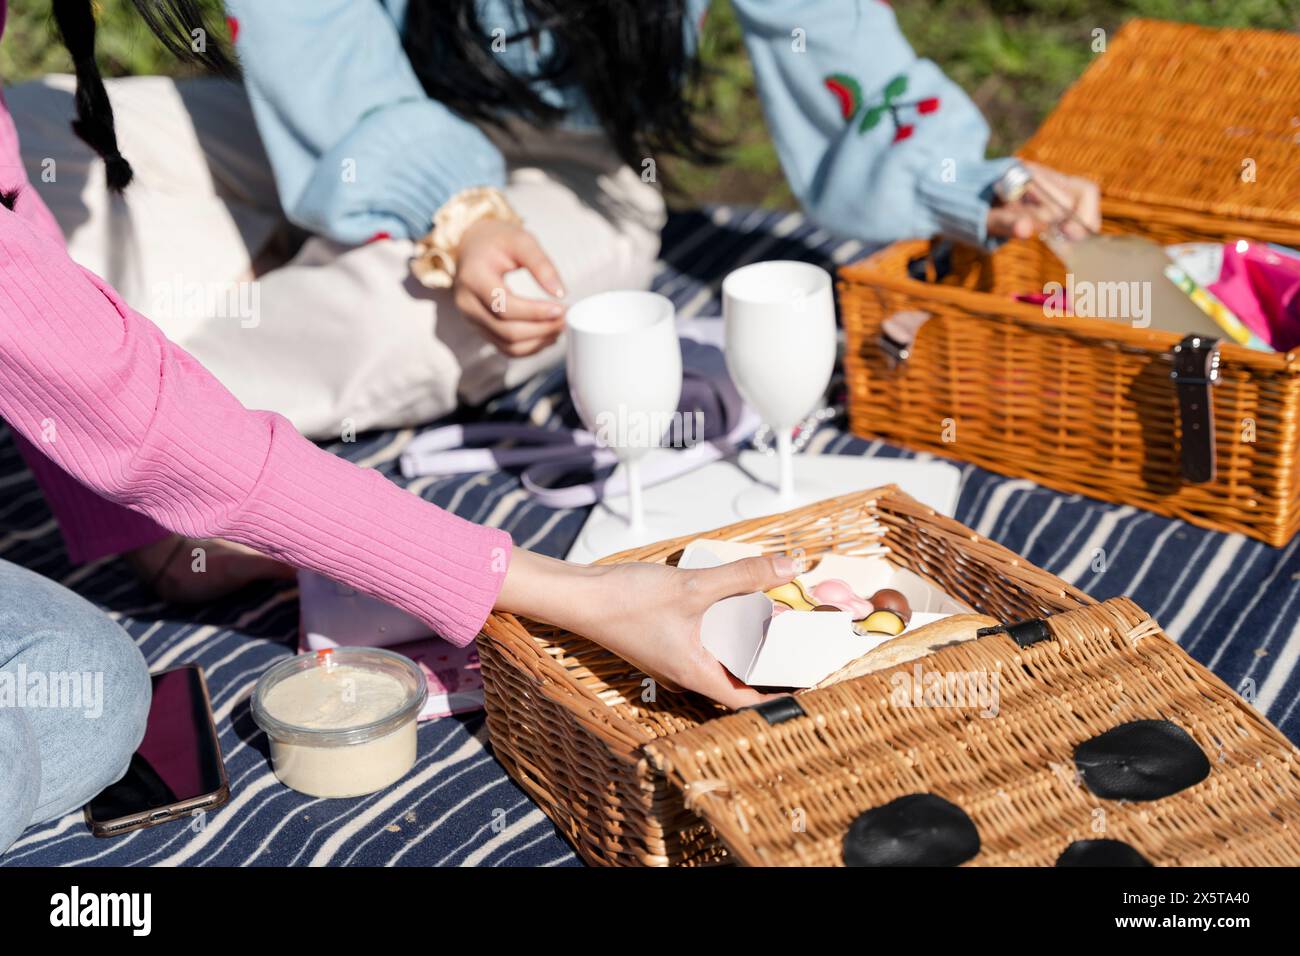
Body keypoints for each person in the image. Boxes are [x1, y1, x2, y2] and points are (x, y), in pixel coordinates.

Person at [0, 0, 797, 855]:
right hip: (298, 141)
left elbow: (26, 234)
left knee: (87, 690)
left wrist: (127, 497)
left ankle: (173, 340)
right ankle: (175, 348)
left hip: (487, 181)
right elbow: (128, 407)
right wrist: (579, 595)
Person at [9, 0, 1100, 446]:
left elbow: (829, 37)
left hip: (568, 168)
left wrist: (969, 179)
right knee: (23, 146)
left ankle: (124, 429)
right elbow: (314, 29)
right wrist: (445, 197)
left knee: (429, 318)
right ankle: (102, 354)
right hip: (311, 115)